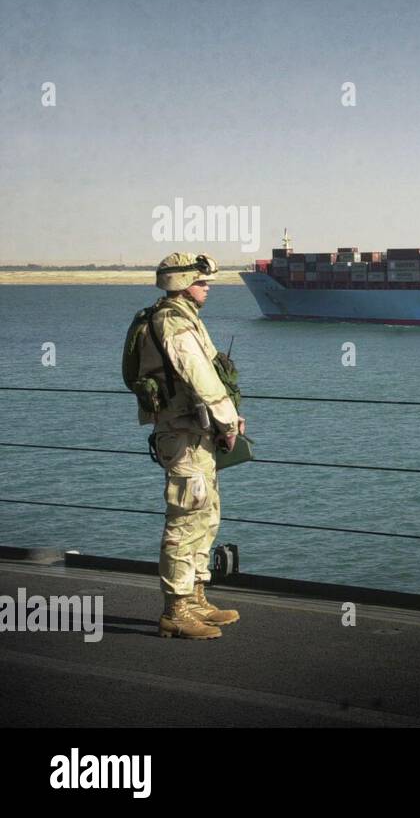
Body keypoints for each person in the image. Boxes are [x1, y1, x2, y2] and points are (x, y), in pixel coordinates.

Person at [137, 252, 246, 639]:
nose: (208, 288)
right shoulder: (173, 323)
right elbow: (199, 375)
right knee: (185, 518)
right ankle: (176, 610)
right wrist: (228, 419)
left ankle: (196, 595)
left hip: (197, 432)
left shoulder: (185, 318)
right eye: (202, 282)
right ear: (182, 283)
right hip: (183, 435)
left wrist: (224, 417)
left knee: (206, 513)